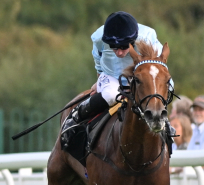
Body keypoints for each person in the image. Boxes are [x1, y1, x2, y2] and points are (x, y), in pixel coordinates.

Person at [59, 11, 170, 160]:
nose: (119, 52)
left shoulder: (147, 37)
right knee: (111, 95)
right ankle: (76, 116)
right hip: (111, 76)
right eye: (114, 47)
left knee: (160, 91)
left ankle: (164, 121)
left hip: (139, 78)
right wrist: (99, 77)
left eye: (124, 47)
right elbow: (97, 56)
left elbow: (159, 71)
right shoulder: (99, 37)